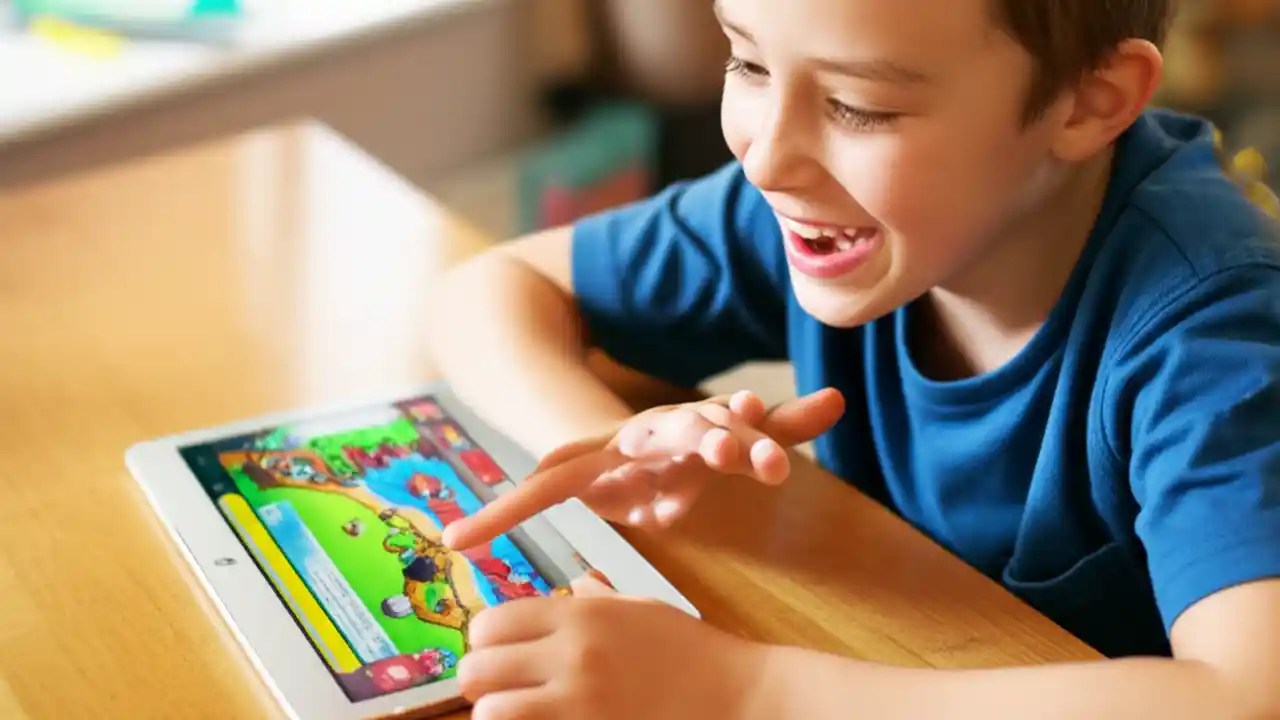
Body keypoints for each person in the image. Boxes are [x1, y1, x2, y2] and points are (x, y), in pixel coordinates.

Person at [425, 0, 1280, 717]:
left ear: (1088, 104)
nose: (764, 154)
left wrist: (744, 689)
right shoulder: (826, 209)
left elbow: (1248, 697)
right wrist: (604, 443)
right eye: (748, 64)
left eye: (858, 105)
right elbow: (489, 290)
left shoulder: (1211, 331)